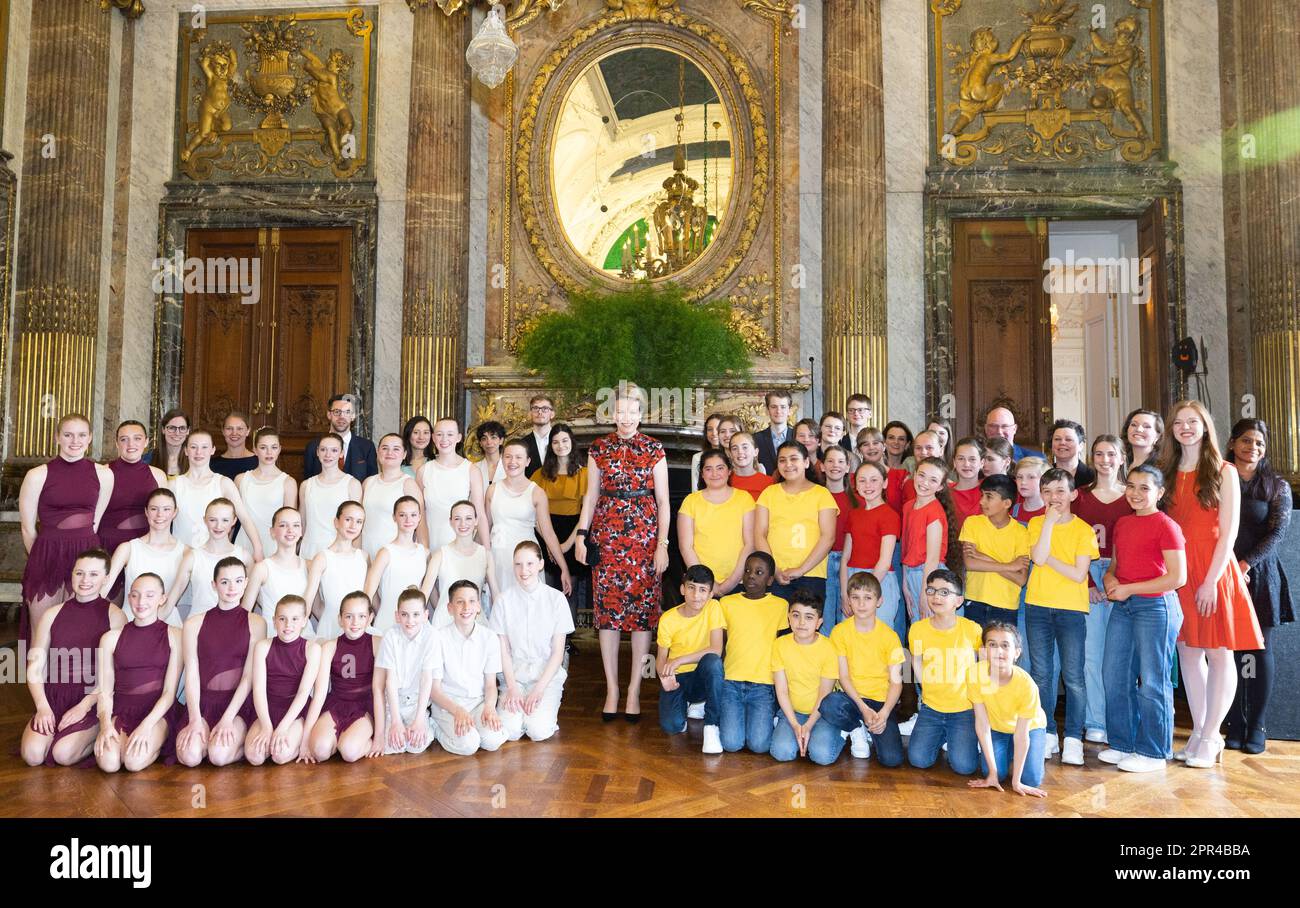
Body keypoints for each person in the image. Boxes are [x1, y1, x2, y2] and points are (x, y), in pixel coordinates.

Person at [1162, 400, 1264, 769]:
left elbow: (1230, 532)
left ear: (1206, 427)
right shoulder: (1167, 470)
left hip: (1213, 570)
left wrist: (1211, 580)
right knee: (1188, 651)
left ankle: (1211, 733)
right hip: (1180, 569)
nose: (1185, 427)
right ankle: (1202, 731)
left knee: (1219, 652)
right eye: (1179, 422)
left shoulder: (1225, 471)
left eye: (1193, 422)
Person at [575, 384, 669, 722]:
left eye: (632, 412)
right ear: (612, 414)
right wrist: (583, 536)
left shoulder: (654, 449)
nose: (626, 418)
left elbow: (664, 502)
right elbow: (590, 496)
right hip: (608, 538)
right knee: (608, 615)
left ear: (642, 415)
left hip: (644, 541)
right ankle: (612, 688)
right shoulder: (598, 448)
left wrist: (662, 545)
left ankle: (634, 690)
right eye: (620, 412)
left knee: (643, 616)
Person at [1097, 463, 1187, 773]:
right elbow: (1114, 567)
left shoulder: (1167, 526)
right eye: (1131, 486)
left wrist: (1128, 588)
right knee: (1114, 675)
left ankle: (1154, 751)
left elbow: (1177, 577)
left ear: (1159, 493)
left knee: (1152, 681)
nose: (1135, 493)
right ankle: (1123, 743)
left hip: (1156, 609)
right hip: (1124, 607)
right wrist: (1110, 581)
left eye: (1144, 488)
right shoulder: (1122, 523)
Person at [1225, 418, 1294, 754]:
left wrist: (1244, 564)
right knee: (1230, 652)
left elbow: (1277, 534)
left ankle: (1258, 724)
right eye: (1246, 441)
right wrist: (1227, 567)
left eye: (1259, 444)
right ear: (1233, 442)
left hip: (1259, 576)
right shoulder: (1219, 478)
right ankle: (1235, 722)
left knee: (1259, 650)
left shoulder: (1276, 486)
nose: (1252, 448)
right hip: (1223, 574)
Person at [21, 550, 127, 767]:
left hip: (91, 697)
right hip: (54, 697)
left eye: (93, 574)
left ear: (106, 578)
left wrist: (85, 705)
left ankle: (93, 730)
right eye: (79, 573)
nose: (85, 580)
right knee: (32, 756)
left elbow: (115, 673)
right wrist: (42, 706)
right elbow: (35, 666)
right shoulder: (52, 614)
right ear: (72, 575)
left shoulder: (115, 615)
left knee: (62, 754)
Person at [18, 413, 115, 642]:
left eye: (81, 435)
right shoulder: (37, 475)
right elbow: (27, 528)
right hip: (46, 556)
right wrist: (43, 556)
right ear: (57, 438)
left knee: (79, 633)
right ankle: (39, 679)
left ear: (90, 438)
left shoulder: (104, 475)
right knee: (42, 631)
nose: (75, 441)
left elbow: (95, 522)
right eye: (68, 435)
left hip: (85, 557)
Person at [1025, 468, 1098, 766]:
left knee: (1074, 677)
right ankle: (1047, 733)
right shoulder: (1035, 523)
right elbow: (1038, 558)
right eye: (1047, 491)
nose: (1053, 497)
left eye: (1059, 491)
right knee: (1042, 675)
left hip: (1071, 610)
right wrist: (1049, 527)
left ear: (1072, 494)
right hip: (1037, 607)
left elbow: (1079, 573)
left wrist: (1051, 559)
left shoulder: (1083, 530)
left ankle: (1072, 739)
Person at [172, 557, 266, 766]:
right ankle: (206, 735)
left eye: (238, 581)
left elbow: (249, 677)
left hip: (238, 705)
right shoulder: (194, 623)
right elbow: (192, 674)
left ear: (246, 583)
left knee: (218, 756)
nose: (232, 587)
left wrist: (227, 718)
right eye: (225, 582)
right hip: (204, 704)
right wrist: (195, 718)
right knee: (190, 757)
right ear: (214, 585)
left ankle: (241, 741)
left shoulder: (256, 623)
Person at [1072, 434, 1133, 745]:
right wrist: (1088, 581)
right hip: (1089, 573)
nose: (1105, 459)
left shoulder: (1133, 496)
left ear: (1122, 458)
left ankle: (1121, 719)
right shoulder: (1080, 497)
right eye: (1099, 454)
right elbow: (1069, 542)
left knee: (1122, 655)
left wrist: (1120, 579)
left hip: (1125, 575)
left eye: (1111, 454)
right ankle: (1095, 719)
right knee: (1092, 654)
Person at [93, 573, 183, 773]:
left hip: (158, 711)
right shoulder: (110, 638)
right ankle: (125, 739)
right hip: (122, 709)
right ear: (129, 598)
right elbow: (105, 691)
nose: (141, 601)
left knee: (133, 762)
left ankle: (158, 739)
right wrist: (106, 726)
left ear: (162, 598)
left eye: (150, 595)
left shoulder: (175, 635)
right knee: (109, 764)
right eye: (135, 595)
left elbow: (169, 693)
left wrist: (146, 726)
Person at [818, 571, 906, 766]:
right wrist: (863, 709)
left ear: (879, 601)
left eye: (868, 598)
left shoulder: (889, 636)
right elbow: (843, 677)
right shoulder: (840, 632)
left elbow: (896, 682)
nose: (861, 604)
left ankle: (872, 725)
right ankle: (856, 728)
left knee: (892, 760)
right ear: (849, 601)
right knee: (829, 704)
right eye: (855, 598)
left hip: (880, 702)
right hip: (851, 698)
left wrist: (883, 713)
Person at [493, 542, 575, 743]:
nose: (524, 571)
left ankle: (544, 710)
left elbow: (558, 653)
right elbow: (503, 650)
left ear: (541, 564)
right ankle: (518, 710)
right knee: (509, 732)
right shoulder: (503, 601)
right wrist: (512, 687)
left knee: (538, 731)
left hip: (545, 675)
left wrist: (538, 689)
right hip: (515, 675)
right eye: (518, 564)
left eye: (530, 563)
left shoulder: (556, 599)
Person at [906, 569, 982, 775]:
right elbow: (916, 661)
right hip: (932, 708)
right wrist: (928, 689)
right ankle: (942, 735)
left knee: (964, 767)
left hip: (963, 710)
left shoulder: (973, 630)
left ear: (958, 601)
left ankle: (961, 737)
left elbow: (983, 666)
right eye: (931, 590)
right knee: (918, 760)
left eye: (944, 592)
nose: (936, 596)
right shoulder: (918, 629)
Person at [301, 591, 384, 763]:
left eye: (361, 616)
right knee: (320, 751)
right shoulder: (330, 647)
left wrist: (379, 737)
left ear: (370, 618)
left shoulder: (377, 643)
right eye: (349, 616)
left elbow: (379, 692)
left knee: (349, 752)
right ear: (340, 619)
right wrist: (305, 740)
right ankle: (339, 739)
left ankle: (355, 740)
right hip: (337, 703)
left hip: (365, 706)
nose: (355, 623)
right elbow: (320, 694)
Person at [428, 580, 509, 756]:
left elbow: (490, 684)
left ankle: (475, 728)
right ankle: (435, 727)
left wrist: (489, 707)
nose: (466, 607)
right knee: (469, 745)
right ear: (450, 608)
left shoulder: (489, 638)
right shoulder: (438, 638)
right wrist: (457, 710)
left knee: (492, 740)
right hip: (448, 705)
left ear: (479, 606)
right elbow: (434, 690)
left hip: (477, 702)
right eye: (460, 602)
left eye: (472, 601)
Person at [967, 623, 1048, 797]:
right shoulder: (974, 674)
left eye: (1005, 645)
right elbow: (982, 724)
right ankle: (1007, 753)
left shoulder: (1027, 685)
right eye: (992, 644)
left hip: (1028, 728)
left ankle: (1031, 748)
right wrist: (992, 774)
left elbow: (1021, 734)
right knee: (994, 772)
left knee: (1030, 779)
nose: (998, 651)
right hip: (997, 728)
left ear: (1016, 653)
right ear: (984, 650)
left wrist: (1016, 782)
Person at [718, 552, 787, 754]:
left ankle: (772, 717)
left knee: (759, 746)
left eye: (759, 572)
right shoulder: (727, 603)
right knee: (731, 744)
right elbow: (719, 644)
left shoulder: (780, 606)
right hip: (731, 683)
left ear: (770, 580)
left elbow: (784, 646)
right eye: (747, 571)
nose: (751, 576)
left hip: (763, 686)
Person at [755, 441, 839, 604]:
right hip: (776, 575)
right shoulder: (768, 493)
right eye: (782, 460)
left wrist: (801, 570)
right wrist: (774, 569)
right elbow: (760, 534)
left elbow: (828, 537)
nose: (788, 465)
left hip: (811, 575)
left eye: (794, 459)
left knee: (806, 625)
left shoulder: (822, 494)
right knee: (778, 627)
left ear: (806, 462)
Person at [485, 439, 571, 597]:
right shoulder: (492, 490)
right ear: (502, 459)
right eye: (508, 457)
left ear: (527, 461)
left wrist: (564, 568)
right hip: (498, 557)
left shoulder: (537, 492)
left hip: (528, 559)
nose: (512, 462)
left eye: (518, 457)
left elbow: (548, 533)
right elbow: (485, 529)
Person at [769, 588, 844, 765]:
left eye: (809, 617)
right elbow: (782, 691)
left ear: (819, 622)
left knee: (822, 756)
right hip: (793, 712)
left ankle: (839, 734)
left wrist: (808, 725)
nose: (801, 622)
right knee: (782, 753)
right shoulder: (780, 645)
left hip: (822, 713)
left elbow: (824, 694)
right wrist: (795, 725)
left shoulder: (828, 648)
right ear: (788, 617)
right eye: (796, 615)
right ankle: (790, 730)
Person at [656, 564, 725, 753]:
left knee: (713, 662)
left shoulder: (713, 608)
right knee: (672, 726)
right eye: (692, 588)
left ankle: (711, 727)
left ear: (711, 594)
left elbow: (716, 649)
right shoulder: (668, 619)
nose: (696, 595)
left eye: (703, 590)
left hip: (700, 675)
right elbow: (661, 658)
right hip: (678, 678)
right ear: (682, 589)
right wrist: (664, 677)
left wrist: (679, 660)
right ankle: (686, 705)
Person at [245, 595, 321, 765]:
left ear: (304, 621)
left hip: (295, 711)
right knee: (254, 756)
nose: (288, 625)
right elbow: (258, 689)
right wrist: (266, 725)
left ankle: (295, 738)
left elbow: (303, 692)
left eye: (295, 619)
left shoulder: (312, 649)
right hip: (267, 708)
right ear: (274, 621)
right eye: (282, 619)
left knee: (280, 755)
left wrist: (282, 727)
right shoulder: (263, 647)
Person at [169, 430, 263, 559]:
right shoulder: (174, 485)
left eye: (204, 447)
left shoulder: (223, 483)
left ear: (212, 450)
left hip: (215, 556)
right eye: (193, 447)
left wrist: (258, 548)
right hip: (180, 556)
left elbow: (245, 518)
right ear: (185, 450)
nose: (198, 452)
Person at [99, 420, 166, 600]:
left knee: (141, 605)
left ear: (146, 442)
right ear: (116, 443)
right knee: (108, 607)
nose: (131, 444)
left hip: (144, 549)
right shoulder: (103, 473)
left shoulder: (158, 475)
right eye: (124, 439)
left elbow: (165, 516)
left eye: (137, 438)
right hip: (108, 547)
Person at [678, 448, 756, 599]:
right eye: (708, 469)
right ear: (701, 473)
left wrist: (731, 582)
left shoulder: (744, 499)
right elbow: (685, 547)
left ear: (729, 471)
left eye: (720, 468)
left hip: (738, 581)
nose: (714, 474)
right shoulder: (690, 501)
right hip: (700, 586)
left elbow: (750, 544)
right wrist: (707, 582)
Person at [102, 487, 188, 621]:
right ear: (146, 512)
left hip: (167, 624)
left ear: (175, 512)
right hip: (130, 621)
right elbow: (103, 589)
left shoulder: (186, 552)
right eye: (154, 509)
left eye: (166, 509)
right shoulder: (128, 548)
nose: (160, 515)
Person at [530, 424, 588, 619]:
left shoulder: (584, 474)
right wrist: (550, 543)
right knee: (546, 586)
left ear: (572, 442)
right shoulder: (540, 474)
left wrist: (567, 545)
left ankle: (567, 640)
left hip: (573, 532)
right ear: (550, 446)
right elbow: (533, 511)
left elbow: (586, 514)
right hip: (545, 532)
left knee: (568, 589)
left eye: (564, 440)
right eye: (555, 442)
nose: (560, 445)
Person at [959, 474, 1030, 632]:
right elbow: (970, 563)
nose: (981, 501)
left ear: (1006, 503)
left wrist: (983, 557)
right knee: (975, 655)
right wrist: (1010, 566)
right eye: (982, 495)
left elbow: (1021, 578)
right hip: (974, 601)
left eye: (989, 497)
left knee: (1001, 655)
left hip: (1006, 606)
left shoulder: (1021, 532)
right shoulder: (972, 523)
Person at [163, 497, 253, 620]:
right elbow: (172, 599)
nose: (218, 526)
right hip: (197, 626)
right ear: (205, 520)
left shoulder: (245, 557)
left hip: (232, 626)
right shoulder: (192, 557)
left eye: (225, 520)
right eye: (212, 520)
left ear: (234, 521)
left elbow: (250, 601)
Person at [840, 461, 902, 634]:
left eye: (874, 480)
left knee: (878, 636)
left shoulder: (889, 515)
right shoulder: (854, 515)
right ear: (856, 485)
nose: (868, 485)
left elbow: (884, 560)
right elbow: (845, 558)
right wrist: (846, 593)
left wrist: (866, 592)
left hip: (878, 581)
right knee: (851, 637)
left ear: (884, 483)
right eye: (862, 480)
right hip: (853, 580)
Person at [377, 588, 438, 755]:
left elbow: (427, 680)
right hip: (394, 703)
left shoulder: (431, 636)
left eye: (416, 615)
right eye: (404, 615)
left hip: (416, 704)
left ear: (426, 615)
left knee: (416, 746)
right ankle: (397, 724)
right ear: (397, 616)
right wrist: (395, 721)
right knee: (393, 746)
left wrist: (418, 720)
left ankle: (426, 722)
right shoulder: (390, 636)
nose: (410, 621)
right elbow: (390, 680)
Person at [424, 500, 498, 628]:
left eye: (468, 518)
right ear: (451, 522)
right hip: (444, 624)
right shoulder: (440, 555)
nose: (463, 523)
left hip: (475, 623)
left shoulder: (485, 555)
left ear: (476, 521)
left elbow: (495, 594)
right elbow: (424, 594)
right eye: (457, 518)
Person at [419, 417, 489, 552]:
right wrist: (423, 548)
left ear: (458, 437)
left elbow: (480, 514)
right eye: (439, 434)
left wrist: (487, 551)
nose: (444, 439)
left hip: (461, 545)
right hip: (430, 544)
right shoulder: (424, 471)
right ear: (433, 438)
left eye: (450, 434)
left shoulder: (471, 470)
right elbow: (419, 513)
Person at [901, 457, 957, 623]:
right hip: (911, 573)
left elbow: (932, 558)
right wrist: (905, 583)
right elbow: (906, 547)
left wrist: (928, 592)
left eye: (933, 480)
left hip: (931, 575)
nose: (925, 483)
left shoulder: (934, 511)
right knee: (918, 627)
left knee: (931, 624)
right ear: (914, 475)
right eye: (922, 475)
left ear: (940, 486)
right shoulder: (908, 506)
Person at [303, 500, 370, 639]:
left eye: (359, 521)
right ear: (336, 522)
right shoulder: (322, 557)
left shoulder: (363, 557)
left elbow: (370, 598)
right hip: (330, 626)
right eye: (348, 519)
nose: (353, 525)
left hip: (357, 626)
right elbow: (308, 599)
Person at [364, 496, 429, 635]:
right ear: (394, 517)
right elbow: (369, 591)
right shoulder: (386, 552)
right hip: (387, 622)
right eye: (402, 515)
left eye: (413, 515)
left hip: (415, 624)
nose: (408, 520)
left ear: (419, 517)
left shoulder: (424, 553)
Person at [242, 507, 310, 636]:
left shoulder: (308, 566)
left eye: (296, 525)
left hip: (305, 638)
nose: (290, 530)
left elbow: (316, 608)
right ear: (272, 532)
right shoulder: (262, 568)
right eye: (283, 525)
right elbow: (245, 612)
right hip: (273, 638)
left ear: (301, 531)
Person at [233, 427, 297, 559]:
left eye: (273, 447)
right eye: (263, 447)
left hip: (274, 545)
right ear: (255, 450)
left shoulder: (288, 482)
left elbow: (290, 521)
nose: (269, 452)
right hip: (245, 542)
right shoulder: (241, 480)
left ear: (279, 449)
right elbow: (233, 517)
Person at [299, 433, 363, 561]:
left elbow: (358, 525)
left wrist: (356, 556)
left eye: (334, 450)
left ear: (341, 453)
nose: (328, 455)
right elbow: (303, 522)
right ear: (317, 452)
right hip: (310, 550)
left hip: (339, 552)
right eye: (323, 450)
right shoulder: (306, 485)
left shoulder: (352, 484)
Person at [360, 433, 421, 559]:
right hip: (366, 552)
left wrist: (423, 556)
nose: (389, 452)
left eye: (396, 449)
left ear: (404, 454)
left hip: (395, 554)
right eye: (385, 448)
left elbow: (421, 524)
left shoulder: (408, 484)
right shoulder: (368, 482)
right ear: (378, 452)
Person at [819, 446, 854, 632]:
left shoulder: (857, 499)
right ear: (822, 466)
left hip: (848, 561)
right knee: (825, 610)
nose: (835, 466)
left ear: (848, 467)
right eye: (830, 461)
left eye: (841, 461)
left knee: (847, 610)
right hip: (822, 559)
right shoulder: (815, 495)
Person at [302, 394, 377, 481]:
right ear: (329, 415)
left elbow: (372, 483)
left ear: (353, 416)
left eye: (347, 412)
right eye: (337, 412)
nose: (342, 416)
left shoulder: (367, 447)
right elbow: (308, 482)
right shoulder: (313, 446)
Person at [754, 391, 795, 476]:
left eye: (783, 407)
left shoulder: (797, 436)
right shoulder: (756, 439)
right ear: (767, 411)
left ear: (789, 411)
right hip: (765, 487)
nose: (778, 411)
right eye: (774, 407)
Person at [949, 436, 985, 527]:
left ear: (982, 463)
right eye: (961, 459)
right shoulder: (946, 493)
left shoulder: (990, 490)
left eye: (972, 459)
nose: (966, 464)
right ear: (954, 462)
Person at [211, 411, 258, 479]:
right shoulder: (212, 465)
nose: (234, 433)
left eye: (239, 429)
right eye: (229, 428)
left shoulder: (259, 462)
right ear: (223, 431)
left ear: (248, 431)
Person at [1050, 419, 1096, 488]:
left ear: (1080, 446)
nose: (1062, 443)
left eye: (1068, 439)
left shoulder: (1092, 477)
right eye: (1057, 439)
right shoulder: (1043, 474)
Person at [728, 432, 775, 500]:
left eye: (745, 447)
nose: (740, 452)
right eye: (735, 448)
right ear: (730, 454)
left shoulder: (768, 482)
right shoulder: (726, 481)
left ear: (755, 452)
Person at [147, 408, 190, 478]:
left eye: (182, 428)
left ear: (188, 431)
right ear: (163, 430)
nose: (177, 433)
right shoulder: (148, 459)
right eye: (172, 428)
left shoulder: (194, 459)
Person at [689, 412, 725, 491]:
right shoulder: (697, 458)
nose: (714, 433)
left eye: (718, 429)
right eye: (710, 429)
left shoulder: (732, 456)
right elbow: (695, 490)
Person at [522, 394, 556, 476]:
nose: (540, 412)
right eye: (536, 408)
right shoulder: (522, 444)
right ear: (530, 414)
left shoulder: (564, 441)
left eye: (545, 408)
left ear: (552, 414)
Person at [1011, 457, 1047, 523]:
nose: (1023, 482)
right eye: (1019, 477)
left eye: (1031, 477)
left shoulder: (1050, 514)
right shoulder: (1012, 511)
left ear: (1044, 481)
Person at [473, 420, 507, 488]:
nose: (489, 442)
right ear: (480, 443)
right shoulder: (474, 468)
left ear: (501, 440)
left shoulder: (509, 466)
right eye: (484, 439)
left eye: (493, 437)